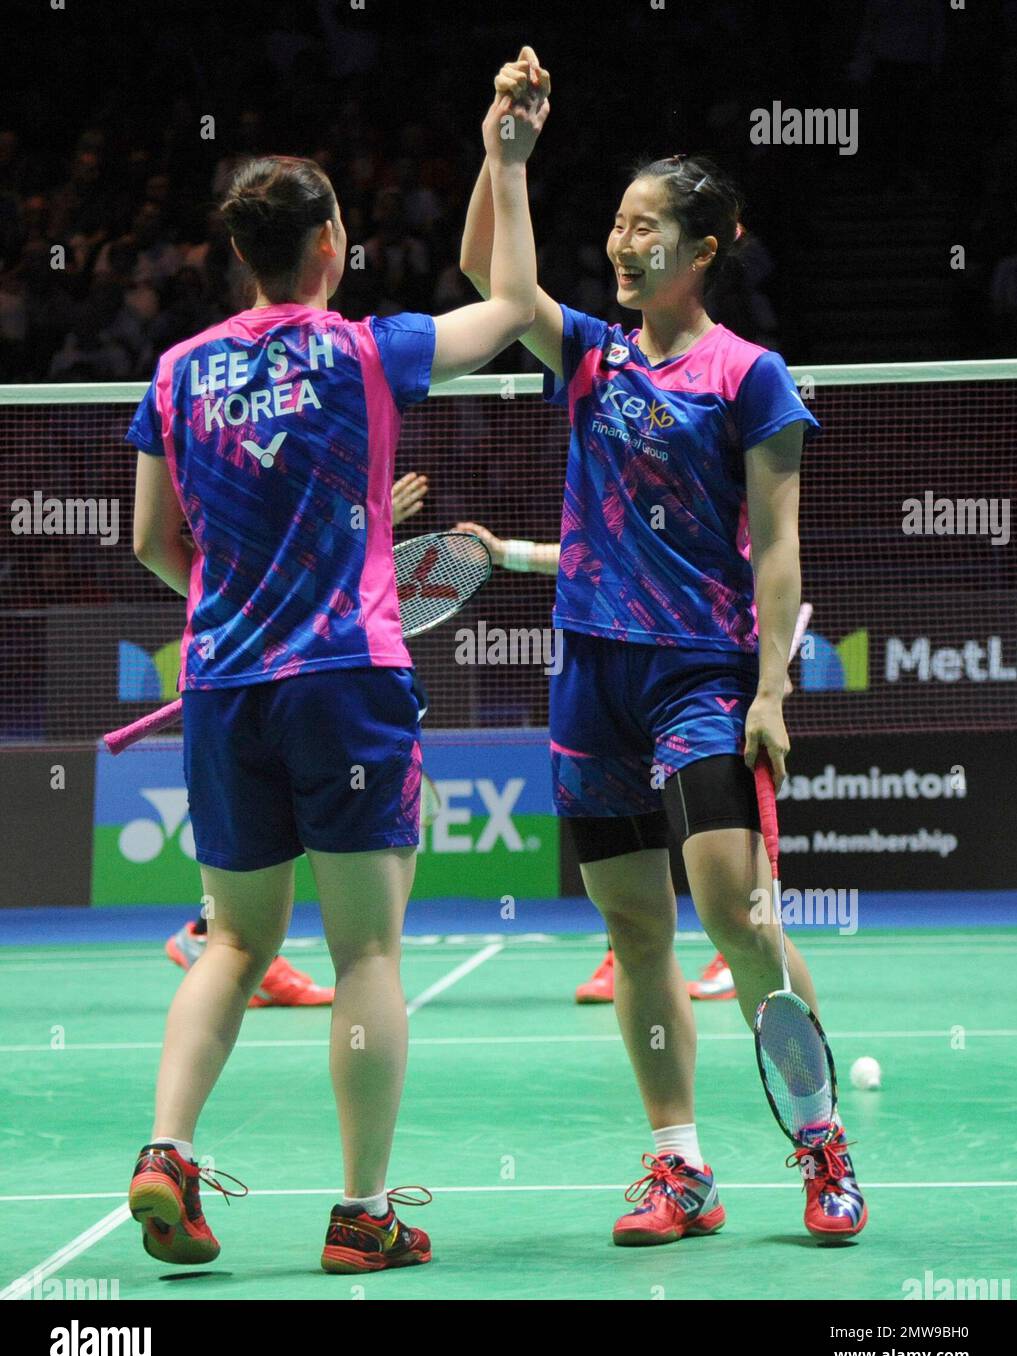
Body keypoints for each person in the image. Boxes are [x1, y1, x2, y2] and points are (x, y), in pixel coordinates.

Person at [125, 68, 547, 1275]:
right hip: (345, 679)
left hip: (220, 688)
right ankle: (362, 1213)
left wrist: (224, 605)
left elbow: (158, 544)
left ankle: (167, 1150)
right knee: (365, 955)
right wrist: (504, 154)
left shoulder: (175, 370)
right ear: (328, 245)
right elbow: (514, 300)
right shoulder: (371, 349)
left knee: (232, 945)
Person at [459, 49, 865, 1246]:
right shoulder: (588, 350)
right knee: (633, 928)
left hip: (698, 665)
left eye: (645, 227)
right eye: (617, 223)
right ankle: (677, 1163)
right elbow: (494, 274)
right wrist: (503, 153)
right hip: (590, 668)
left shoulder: (749, 376)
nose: (621, 241)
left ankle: (818, 1143)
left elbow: (779, 549)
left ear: (699, 249)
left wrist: (774, 690)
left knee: (736, 915)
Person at [167, 472, 431, 1009]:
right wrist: (368, 523)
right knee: (365, 950)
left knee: (247, 908)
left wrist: (367, 526)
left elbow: (156, 542)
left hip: (238, 677)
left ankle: (214, 936)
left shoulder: (194, 409)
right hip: (313, 672)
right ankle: (210, 934)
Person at [456, 519, 740, 1006]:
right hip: (613, 684)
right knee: (634, 863)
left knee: (721, 856)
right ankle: (626, 948)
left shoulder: (708, 511)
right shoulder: (619, 511)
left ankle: (738, 945)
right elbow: (591, 560)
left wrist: (771, 675)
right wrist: (505, 551)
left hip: (699, 677)